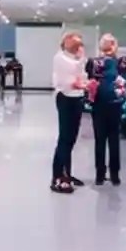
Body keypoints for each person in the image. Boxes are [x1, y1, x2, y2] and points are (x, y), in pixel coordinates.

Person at [50, 33, 87, 194]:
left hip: (76, 98)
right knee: (65, 139)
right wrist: (81, 60)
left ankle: (67, 173)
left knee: (71, 139)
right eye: (75, 43)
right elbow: (71, 74)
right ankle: (58, 177)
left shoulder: (74, 59)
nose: (78, 45)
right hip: (65, 97)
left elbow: (81, 76)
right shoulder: (60, 58)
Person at [88, 33, 126, 186]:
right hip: (115, 103)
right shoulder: (120, 63)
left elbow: (90, 81)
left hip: (98, 104)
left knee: (99, 140)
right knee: (114, 139)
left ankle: (99, 174)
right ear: (114, 45)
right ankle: (115, 174)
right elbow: (124, 81)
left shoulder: (93, 62)